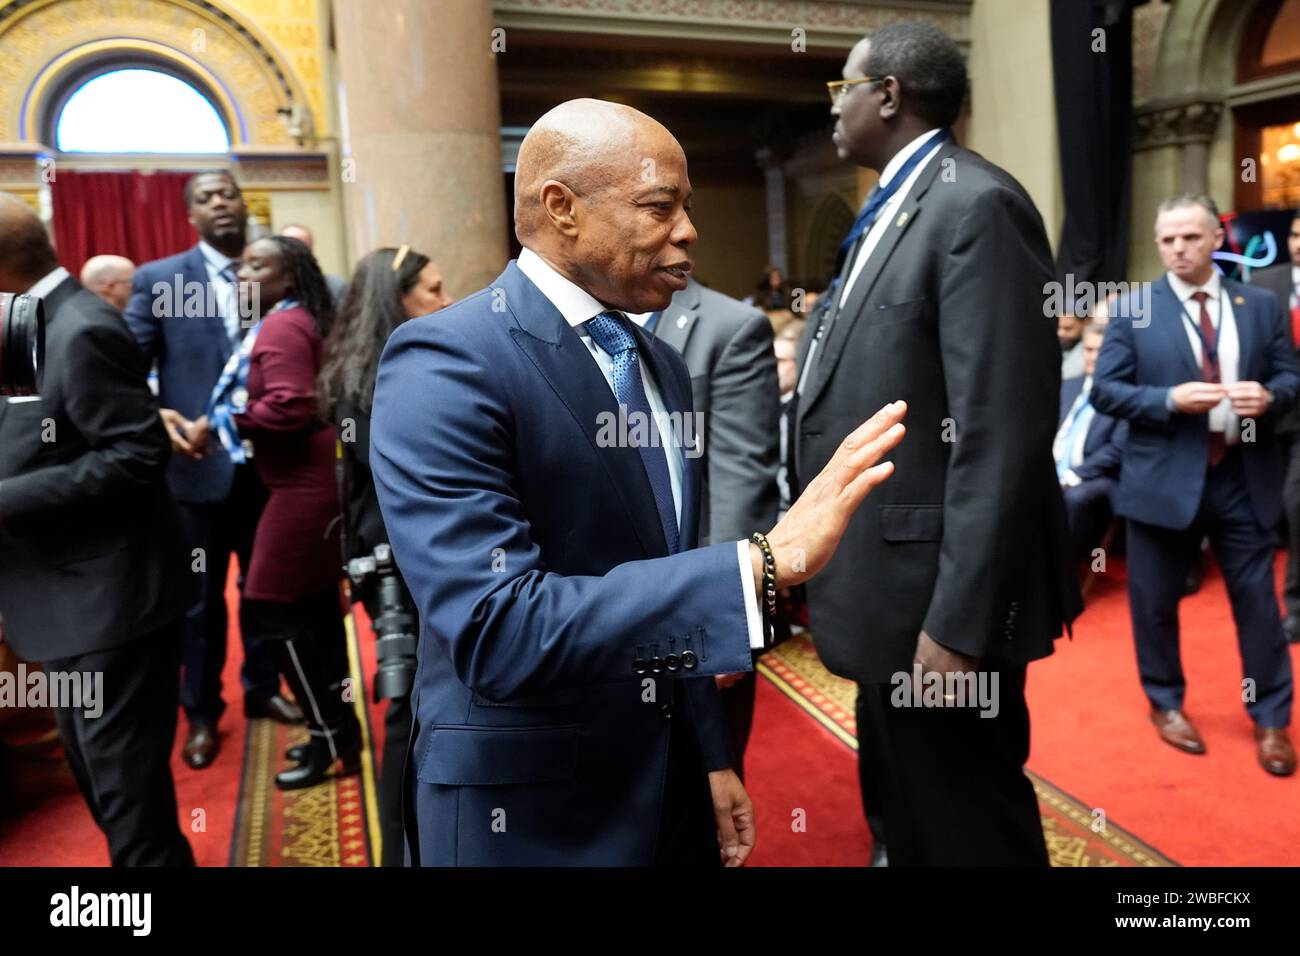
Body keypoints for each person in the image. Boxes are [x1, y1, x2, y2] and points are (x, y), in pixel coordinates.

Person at [370, 97, 906, 867]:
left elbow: (660, 567)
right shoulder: (447, 360)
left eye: (687, 205)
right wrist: (761, 563)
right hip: (533, 817)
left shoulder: (660, 366)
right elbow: (496, 628)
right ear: (563, 209)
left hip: (668, 786)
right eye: (662, 207)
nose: (690, 231)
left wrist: (708, 754)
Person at [791, 21, 1081, 866]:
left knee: (968, 824)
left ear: (889, 94)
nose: (834, 105)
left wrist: (959, 625)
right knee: (910, 809)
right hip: (886, 586)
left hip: (940, 606)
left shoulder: (975, 203)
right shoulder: (898, 202)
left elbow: (1003, 429)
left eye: (842, 85)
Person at [0, 193, 194, 865]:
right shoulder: (24, 320)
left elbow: (135, 457)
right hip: (57, 602)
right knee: (103, 787)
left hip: (109, 608)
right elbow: (35, 438)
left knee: (129, 807)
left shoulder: (82, 327)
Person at [1093, 193, 1299, 777]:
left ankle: (1271, 719)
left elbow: (1289, 374)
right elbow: (1106, 391)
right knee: (1153, 604)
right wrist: (1166, 400)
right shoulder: (1133, 309)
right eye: (1166, 240)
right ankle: (1165, 702)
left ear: (1215, 239)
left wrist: (1272, 395)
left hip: (1242, 473)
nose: (1178, 249)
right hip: (1161, 479)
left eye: (1189, 237)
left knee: (1258, 606)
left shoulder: (1259, 305)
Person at [125, 171, 300, 771]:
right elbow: (125, 367)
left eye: (228, 193)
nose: (221, 203)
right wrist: (158, 415)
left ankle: (262, 688)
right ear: (191, 216)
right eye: (206, 198)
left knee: (262, 589)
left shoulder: (274, 273)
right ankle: (200, 713)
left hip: (265, 467)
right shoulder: (160, 280)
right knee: (198, 602)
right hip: (194, 470)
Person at [190, 235, 360, 789]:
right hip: (308, 481)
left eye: (257, 266)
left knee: (272, 606)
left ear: (288, 279)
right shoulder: (295, 316)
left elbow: (291, 406)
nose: (242, 273)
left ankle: (328, 732)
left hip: (301, 490)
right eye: (240, 265)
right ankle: (339, 732)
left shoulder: (284, 326)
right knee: (311, 609)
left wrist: (221, 426)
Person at [318, 244, 452, 862]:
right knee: (409, 706)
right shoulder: (391, 375)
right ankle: (402, 848)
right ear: (395, 299)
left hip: (386, 554)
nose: (445, 301)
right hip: (404, 562)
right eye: (432, 290)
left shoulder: (362, 366)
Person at [652, 275, 781, 777]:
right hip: (597, 607)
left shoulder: (730, 326)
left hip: (696, 601)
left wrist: (727, 617)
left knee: (706, 786)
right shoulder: (576, 324)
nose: (684, 229)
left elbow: (741, 483)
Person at [1249, 209, 1300, 643]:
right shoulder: (1265, 284)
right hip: (1268, 413)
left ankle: (1295, 608)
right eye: (1296, 235)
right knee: (1271, 504)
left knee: (1294, 501)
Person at [1056, 321, 1127, 561]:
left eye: (1100, 351)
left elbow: (1117, 450)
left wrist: (1072, 476)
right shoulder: (1067, 386)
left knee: (1074, 497)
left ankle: (1065, 573)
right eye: (1088, 350)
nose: (1093, 357)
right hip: (1053, 470)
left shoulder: (1124, 395)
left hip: (1096, 476)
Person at [280, 223, 348, 305]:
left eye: (302, 248)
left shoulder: (334, 286)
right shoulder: (263, 289)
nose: (295, 254)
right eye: (289, 247)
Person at [1059, 303, 1086, 379]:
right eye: (1058, 328)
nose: (1061, 333)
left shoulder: (1091, 351)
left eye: (1068, 328)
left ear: (1084, 323)